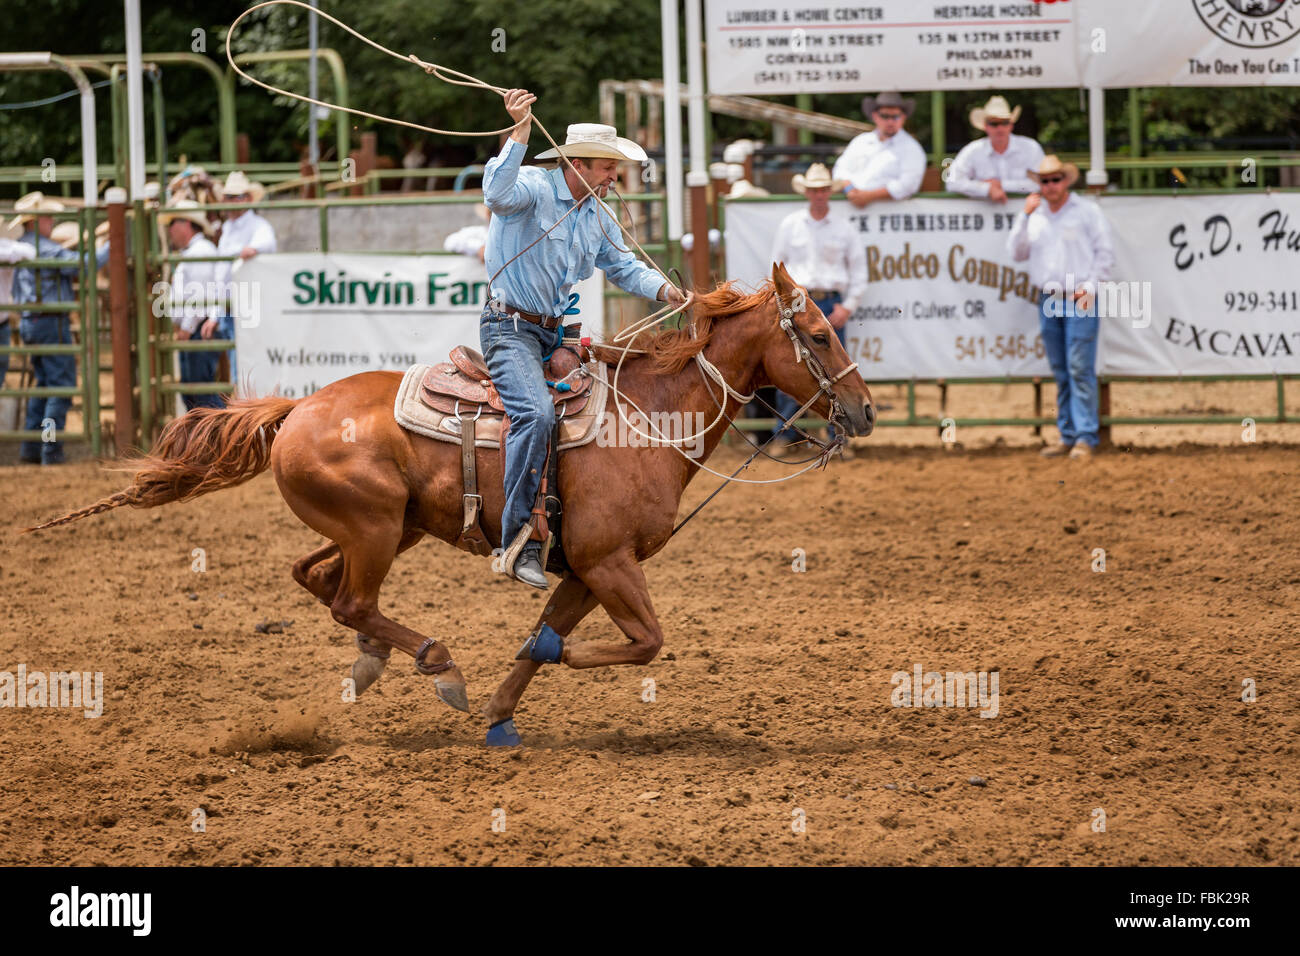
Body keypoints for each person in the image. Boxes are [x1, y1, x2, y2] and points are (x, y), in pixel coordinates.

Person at [482, 91, 685, 588]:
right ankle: (517, 539)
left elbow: (623, 265)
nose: (613, 176)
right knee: (537, 413)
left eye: (615, 168)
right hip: (509, 329)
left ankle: (587, 525)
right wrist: (520, 134)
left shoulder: (597, 215)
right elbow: (495, 194)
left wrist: (668, 291)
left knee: (608, 412)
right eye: (605, 167)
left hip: (556, 334)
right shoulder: (531, 187)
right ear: (575, 164)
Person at [1007, 156, 1115, 460]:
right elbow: (1016, 252)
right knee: (1062, 369)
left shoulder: (1087, 212)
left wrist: (1091, 286)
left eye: (1055, 179)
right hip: (1050, 297)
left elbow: (1105, 253)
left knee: (1078, 367)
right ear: (1039, 185)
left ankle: (1083, 436)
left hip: (1078, 296)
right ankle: (1070, 434)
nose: (1051, 185)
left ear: (1065, 181)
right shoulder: (1034, 214)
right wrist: (1024, 217)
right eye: (1045, 181)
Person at [768, 163, 867, 460]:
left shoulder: (844, 228)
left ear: (828, 193)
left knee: (836, 371)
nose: (819, 194)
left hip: (830, 305)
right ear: (808, 192)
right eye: (815, 190)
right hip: (799, 305)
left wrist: (847, 306)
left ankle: (835, 437)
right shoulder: (791, 225)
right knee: (789, 369)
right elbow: (777, 268)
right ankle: (786, 434)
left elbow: (859, 272)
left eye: (824, 189)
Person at [9, 192, 110, 465]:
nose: (51, 220)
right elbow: (84, 265)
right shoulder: (46, 249)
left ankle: (31, 447)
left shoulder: (25, 246)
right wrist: (112, 246)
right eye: (46, 217)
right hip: (51, 321)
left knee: (44, 385)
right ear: (36, 221)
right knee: (61, 386)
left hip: (31, 321)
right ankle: (50, 449)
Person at [160, 200, 224, 411]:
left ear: (185, 223)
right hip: (197, 327)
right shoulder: (196, 251)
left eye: (172, 224)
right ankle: (208, 441)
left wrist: (187, 327)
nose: (169, 230)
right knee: (195, 391)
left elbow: (200, 294)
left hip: (198, 328)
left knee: (200, 393)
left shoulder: (199, 251)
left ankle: (224, 439)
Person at [215, 170, 276, 385]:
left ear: (248, 198)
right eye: (229, 197)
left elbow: (266, 242)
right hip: (231, 305)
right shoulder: (228, 228)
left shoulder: (258, 226)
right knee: (237, 362)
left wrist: (252, 248)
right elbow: (221, 271)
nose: (231, 202)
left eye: (236, 196)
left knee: (243, 363)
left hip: (247, 306)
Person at [831, 91, 927, 209]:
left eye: (895, 116)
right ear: (875, 116)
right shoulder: (860, 141)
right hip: (852, 211)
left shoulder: (911, 147)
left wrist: (869, 196)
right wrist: (849, 189)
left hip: (890, 213)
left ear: (903, 118)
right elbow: (840, 170)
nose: (890, 122)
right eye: (885, 116)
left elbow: (908, 184)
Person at [946, 96, 1045, 203]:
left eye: (1004, 123)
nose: (1000, 128)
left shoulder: (1030, 147)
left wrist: (999, 185)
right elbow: (952, 183)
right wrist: (987, 189)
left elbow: (1042, 183)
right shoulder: (972, 150)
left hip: (1029, 213)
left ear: (1011, 125)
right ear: (985, 126)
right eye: (994, 124)